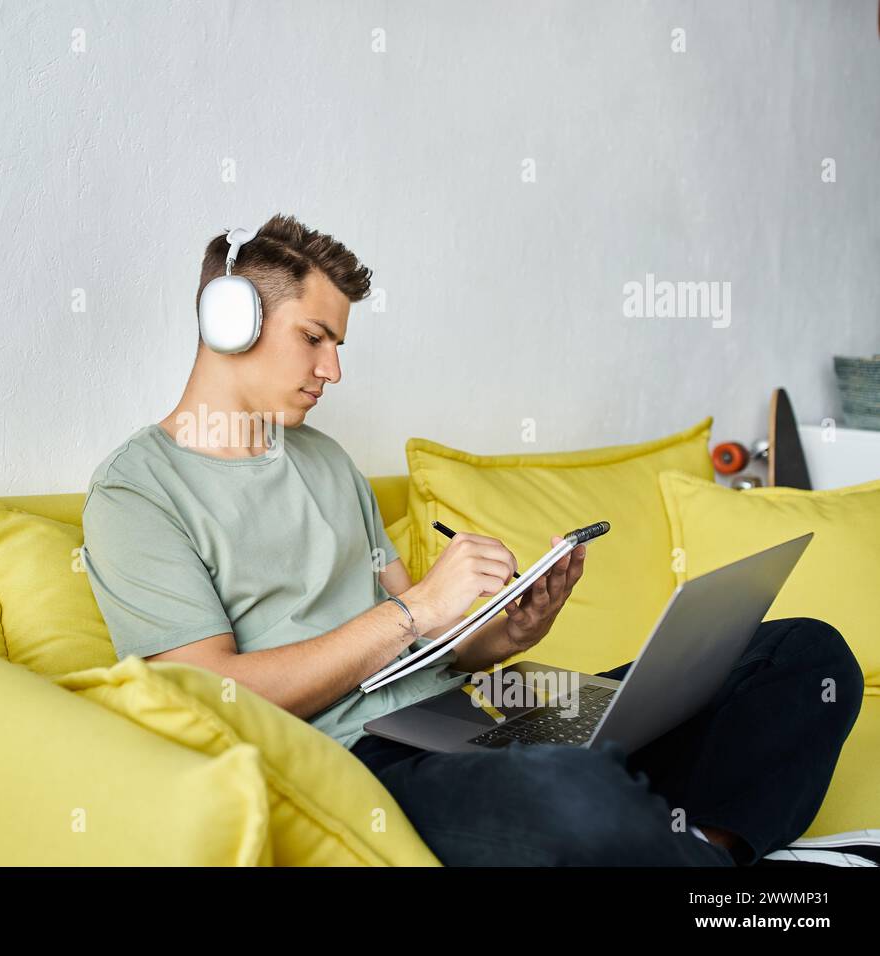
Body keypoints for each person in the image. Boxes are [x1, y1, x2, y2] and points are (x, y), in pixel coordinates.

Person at [79, 213, 864, 866]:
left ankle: (707, 850)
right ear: (230, 320)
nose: (334, 371)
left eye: (340, 345)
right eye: (316, 338)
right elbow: (212, 694)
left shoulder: (323, 458)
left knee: (805, 656)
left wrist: (506, 631)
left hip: (471, 713)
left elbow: (425, 646)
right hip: (367, 762)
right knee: (577, 793)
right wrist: (416, 611)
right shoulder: (137, 492)